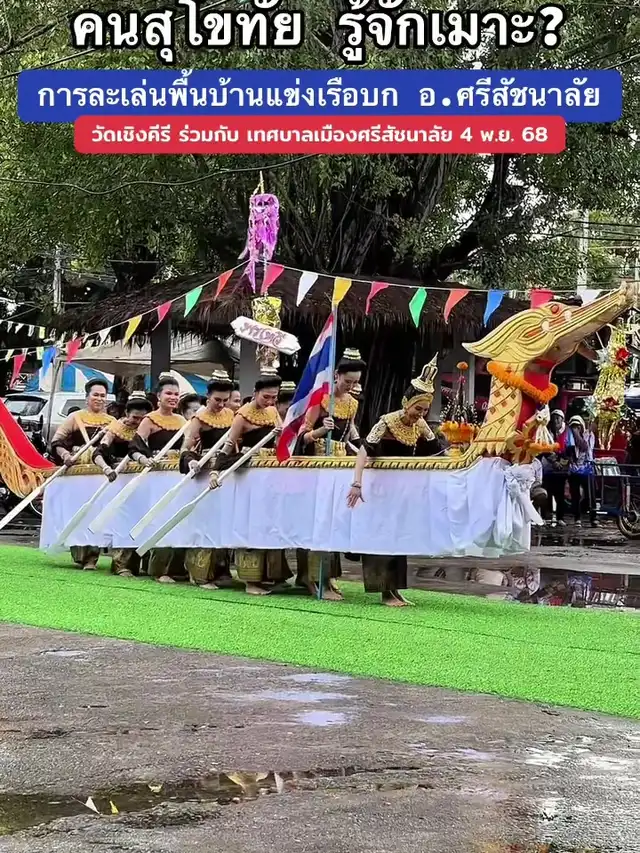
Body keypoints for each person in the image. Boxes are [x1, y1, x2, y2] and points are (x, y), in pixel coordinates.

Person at [347, 357, 441, 607]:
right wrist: (357, 483)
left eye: (424, 410)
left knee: (399, 537)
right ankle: (385, 592)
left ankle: (396, 589)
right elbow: (364, 451)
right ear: (406, 403)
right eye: (417, 409)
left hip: (402, 493)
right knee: (381, 537)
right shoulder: (386, 421)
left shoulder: (421, 425)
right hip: (379, 490)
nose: (420, 415)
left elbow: (436, 452)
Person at [297, 349, 365, 600]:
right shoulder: (320, 399)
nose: (351, 386)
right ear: (336, 375)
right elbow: (301, 435)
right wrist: (319, 432)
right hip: (317, 464)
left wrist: (363, 448)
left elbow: (350, 434)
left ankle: (328, 575)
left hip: (340, 463)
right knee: (316, 520)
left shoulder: (353, 403)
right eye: (347, 381)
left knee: (334, 520)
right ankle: (311, 577)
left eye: (355, 382)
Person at [215, 368, 291, 595]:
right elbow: (229, 444)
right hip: (250, 471)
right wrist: (216, 470)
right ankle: (250, 580)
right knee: (251, 522)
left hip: (271, 472)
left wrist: (282, 435)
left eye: (274, 397)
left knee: (270, 521)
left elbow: (282, 440)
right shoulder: (242, 415)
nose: (270, 401)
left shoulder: (273, 411)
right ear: (255, 392)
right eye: (266, 396)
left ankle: (272, 575)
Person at [50, 378, 115, 570]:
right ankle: (79, 553)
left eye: (103, 395)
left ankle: (92, 558)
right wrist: (65, 455)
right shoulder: (75, 418)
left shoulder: (112, 422)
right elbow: (56, 441)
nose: (99, 399)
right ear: (87, 397)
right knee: (78, 512)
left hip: (100, 473)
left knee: (96, 512)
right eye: (96, 395)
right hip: (77, 471)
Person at [179, 369, 235, 589]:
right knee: (204, 522)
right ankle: (199, 573)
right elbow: (186, 447)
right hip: (205, 470)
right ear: (208, 396)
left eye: (225, 400)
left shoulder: (231, 415)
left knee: (222, 521)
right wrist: (191, 461)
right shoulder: (199, 418)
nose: (221, 404)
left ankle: (221, 570)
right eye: (217, 400)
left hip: (224, 470)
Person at [129, 374, 187, 582]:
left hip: (177, 474)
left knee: (174, 518)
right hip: (156, 475)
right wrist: (144, 460)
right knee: (158, 518)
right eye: (168, 393)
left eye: (176, 394)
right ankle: (157, 569)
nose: (173, 397)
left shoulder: (183, 421)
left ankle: (176, 568)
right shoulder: (149, 420)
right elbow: (134, 446)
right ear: (159, 396)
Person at [92, 392, 153, 578]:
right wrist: (106, 469)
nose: (138, 422)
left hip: (145, 480)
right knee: (123, 521)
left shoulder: (149, 428)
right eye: (135, 417)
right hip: (121, 479)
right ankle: (121, 564)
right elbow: (98, 453)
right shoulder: (115, 429)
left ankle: (144, 564)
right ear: (127, 413)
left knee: (143, 520)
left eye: (142, 418)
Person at [566, 414, 596, 526]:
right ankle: (577, 518)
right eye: (573, 427)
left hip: (586, 468)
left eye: (578, 426)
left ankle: (593, 518)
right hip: (574, 469)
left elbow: (586, 448)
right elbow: (568, 452)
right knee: (575, 495)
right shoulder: (569, 438)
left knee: (590, 494)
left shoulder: (588, 436)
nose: (576, 429)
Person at [541, 409, 568, 525]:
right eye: (554, 418)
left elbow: (569, 449)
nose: (556, 421)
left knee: (560, 493)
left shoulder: (566, 433)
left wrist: (561, 462)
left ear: (562, 420)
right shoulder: (546, 432)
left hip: (561, 469)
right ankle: (546, 516)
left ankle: (560, 517)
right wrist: (553, 461)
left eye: (558, 418)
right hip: (548, 468)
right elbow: (543, 448)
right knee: (547, 492)